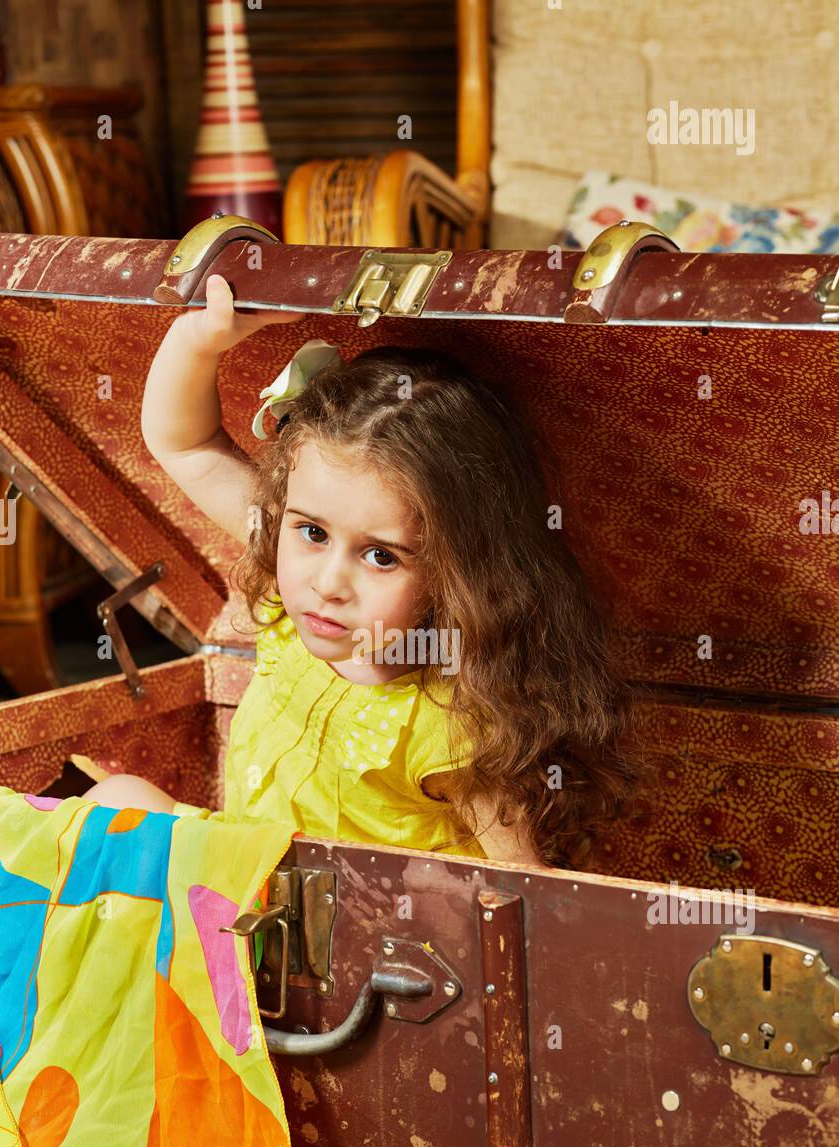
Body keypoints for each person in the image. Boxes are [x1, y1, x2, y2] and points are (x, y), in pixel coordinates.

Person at [82, 274, 638, 870]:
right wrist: (198, 336)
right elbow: (186, 445)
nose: (327, 583)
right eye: (313, 533)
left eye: (381, 556)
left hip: (368, 923)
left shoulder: (458, 726)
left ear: (459, 574)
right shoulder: (285, 588)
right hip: (242, 886)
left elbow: (523, 885)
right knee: (115, 801)